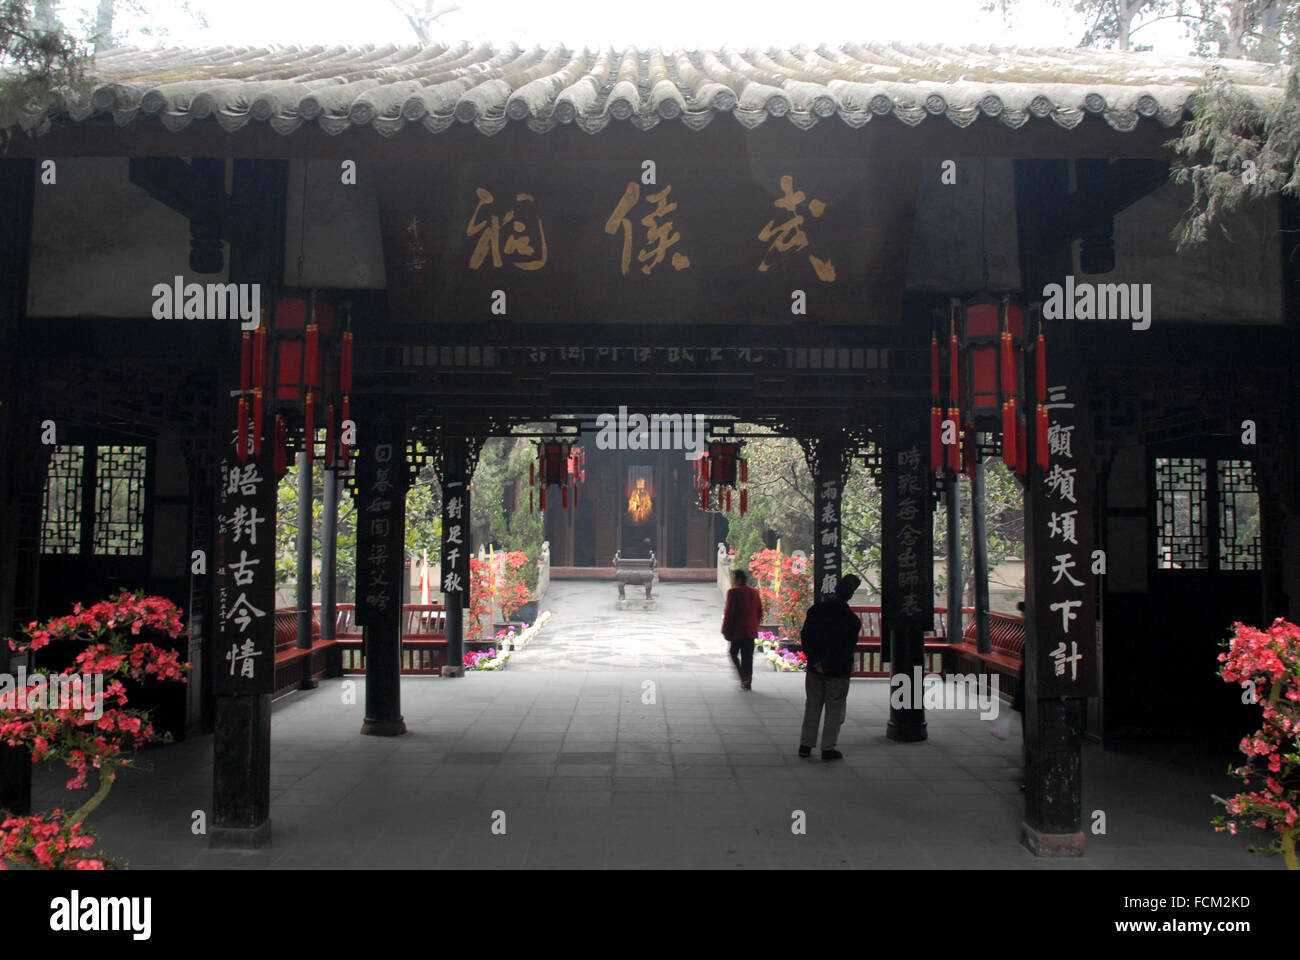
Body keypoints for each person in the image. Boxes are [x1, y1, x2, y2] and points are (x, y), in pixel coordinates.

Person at [798, 574, 863, 760]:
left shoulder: (815, 611)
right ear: (850, 595)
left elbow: (806, 637)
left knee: (812, 705)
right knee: (834, 709)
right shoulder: (852, 620)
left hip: (815, 668)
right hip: (838, 671)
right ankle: (828, 747)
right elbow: (847, 648)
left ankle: (805, 745)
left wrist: (816, 661)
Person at [721, 569, 763, 690]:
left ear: (738, 579)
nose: (733, 580)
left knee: (733, 653)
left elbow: (729, 612)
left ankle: (743, 676)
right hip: (750, 630)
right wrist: (755, 625)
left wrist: (725, 629)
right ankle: (748, 679)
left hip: (738, 630)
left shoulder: (733, 592)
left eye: (734, 578)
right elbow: (759, 610)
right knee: (748, 657)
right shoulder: (754, 592)